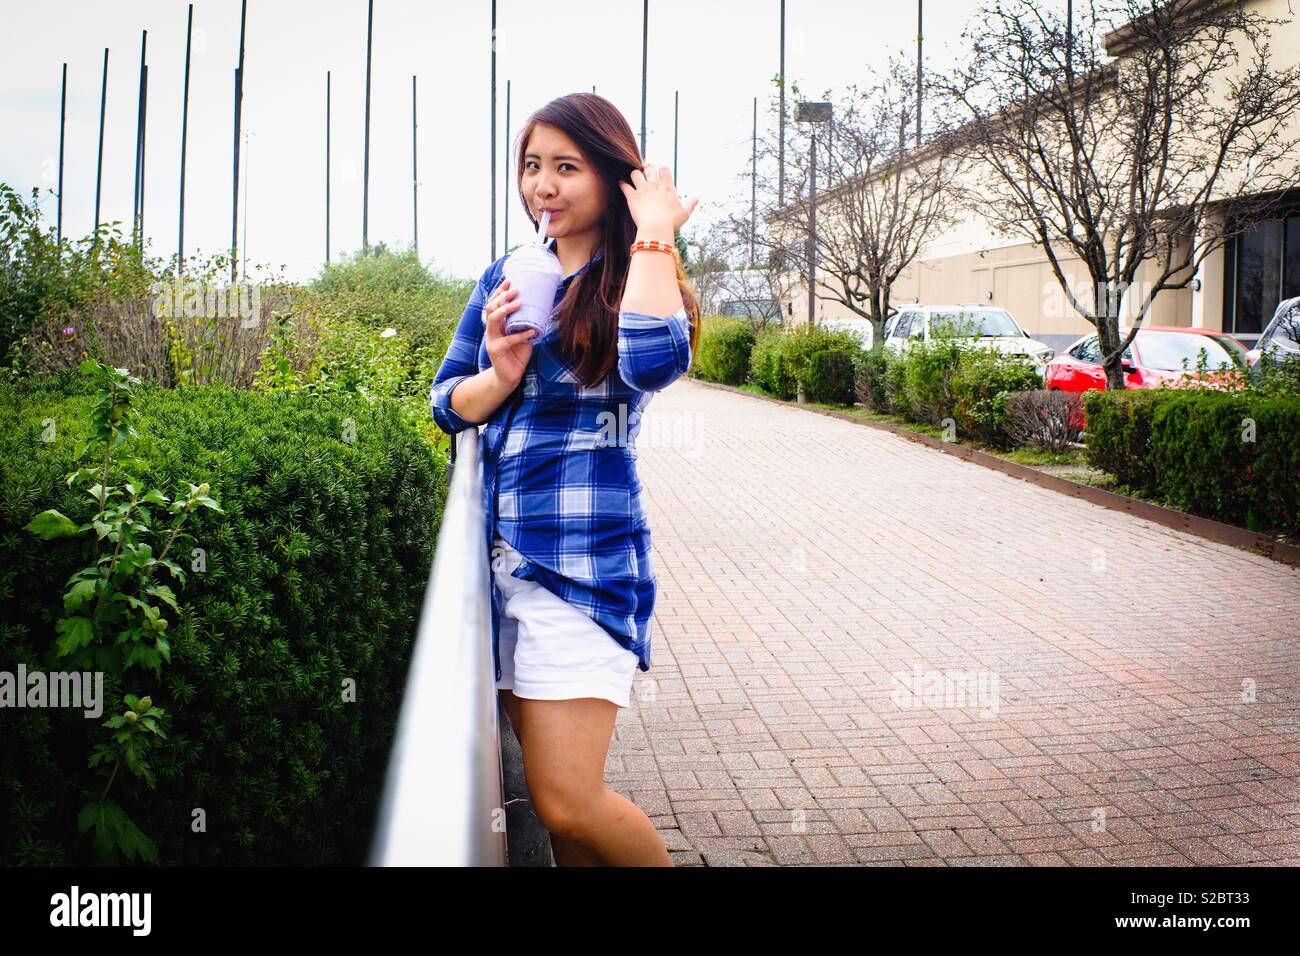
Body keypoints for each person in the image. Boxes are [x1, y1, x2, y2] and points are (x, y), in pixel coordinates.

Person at [429, 92, 702, 866]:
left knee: (568, 799)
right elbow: (447, 402)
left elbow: (651, 363)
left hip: (581, 570)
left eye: (565, 167)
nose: (541, 185)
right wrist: (502, 372)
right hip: (498, 570)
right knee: (565, 825)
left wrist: (652, 234)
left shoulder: (634, 275)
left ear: (612, 175)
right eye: (530, 166)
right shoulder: (507, 275)